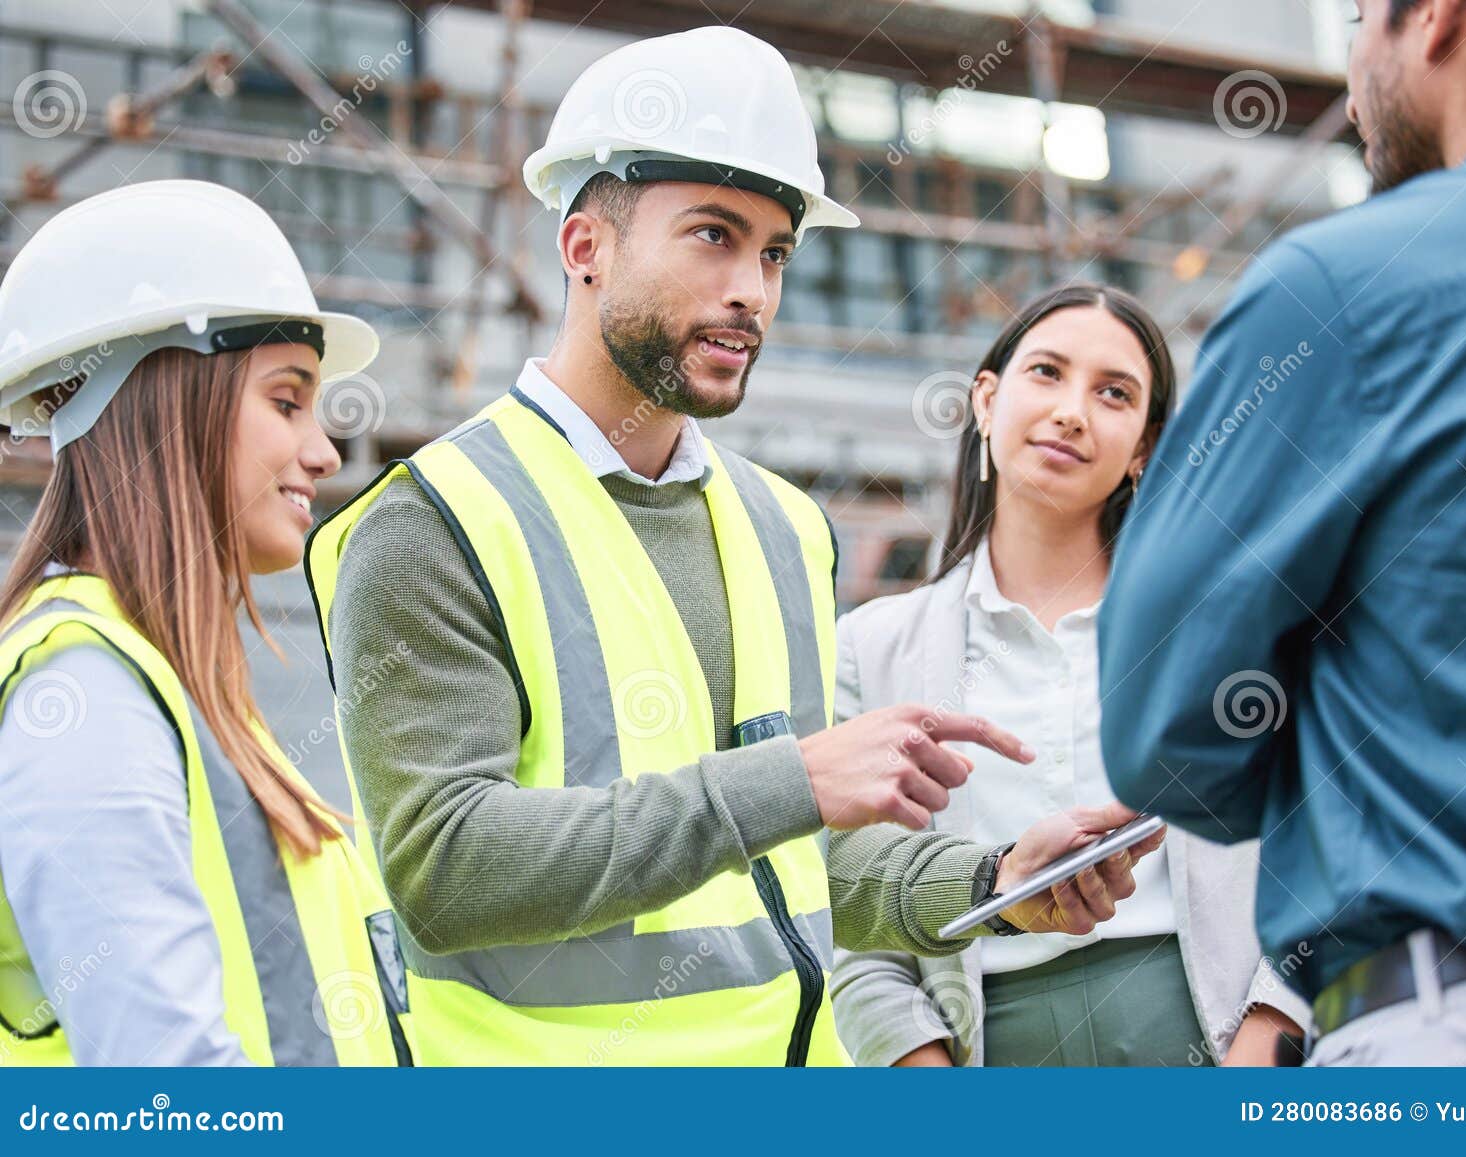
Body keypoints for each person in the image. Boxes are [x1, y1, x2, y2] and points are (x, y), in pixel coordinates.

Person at [308, 25, 1156, 1067]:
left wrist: (992, 881)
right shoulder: (431, 520)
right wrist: (790, 779)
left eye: (774, 252)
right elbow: (443, 867)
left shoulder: (784, 526)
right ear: (586, 247)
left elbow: (792, 868)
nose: (751, 289)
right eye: (713, 235)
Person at [1099, 0, 1466, 1066]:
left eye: (1360, 12)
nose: (1352, 47)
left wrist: (1348, 765)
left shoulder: (1350, 285)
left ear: (1439, 18)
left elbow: (1163, 726)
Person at [828, 284, 1309, 1068]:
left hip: (1212, 1038)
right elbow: (854, 913)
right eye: (1047, 372)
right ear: (985, 400)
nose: (1073, 411)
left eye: (1113, 392)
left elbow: (1328, 841)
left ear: (1145, 446)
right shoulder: (874, 646)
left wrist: (1264, 1047)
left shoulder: (1230, 620)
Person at [0, 180, 412, 1066]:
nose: (325, 451)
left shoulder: (169, 683)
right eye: (285, 400)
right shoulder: (85, 693)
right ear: (162, 402)